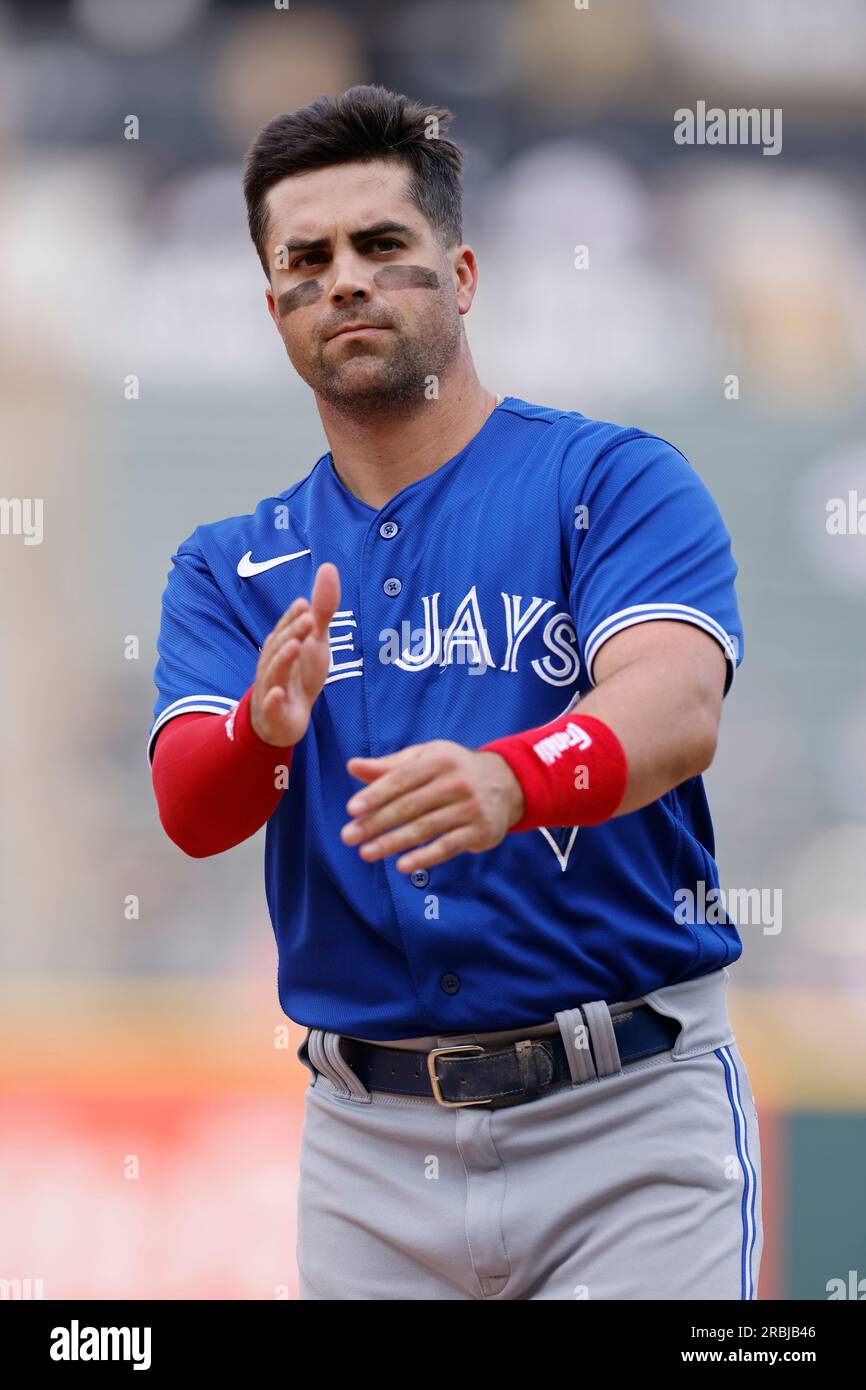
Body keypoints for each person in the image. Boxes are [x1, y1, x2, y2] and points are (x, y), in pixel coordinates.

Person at [149, 84, 762, 1301]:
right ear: (271, 303)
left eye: (383, 246)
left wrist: (511, 779)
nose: (344, 280)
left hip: (624, 1113)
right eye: (305, 258)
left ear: (463, 272)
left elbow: (675, 707)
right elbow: (192, 810)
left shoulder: (610, 479)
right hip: (369, 1143)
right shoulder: (234, 562)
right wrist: (258, 734)